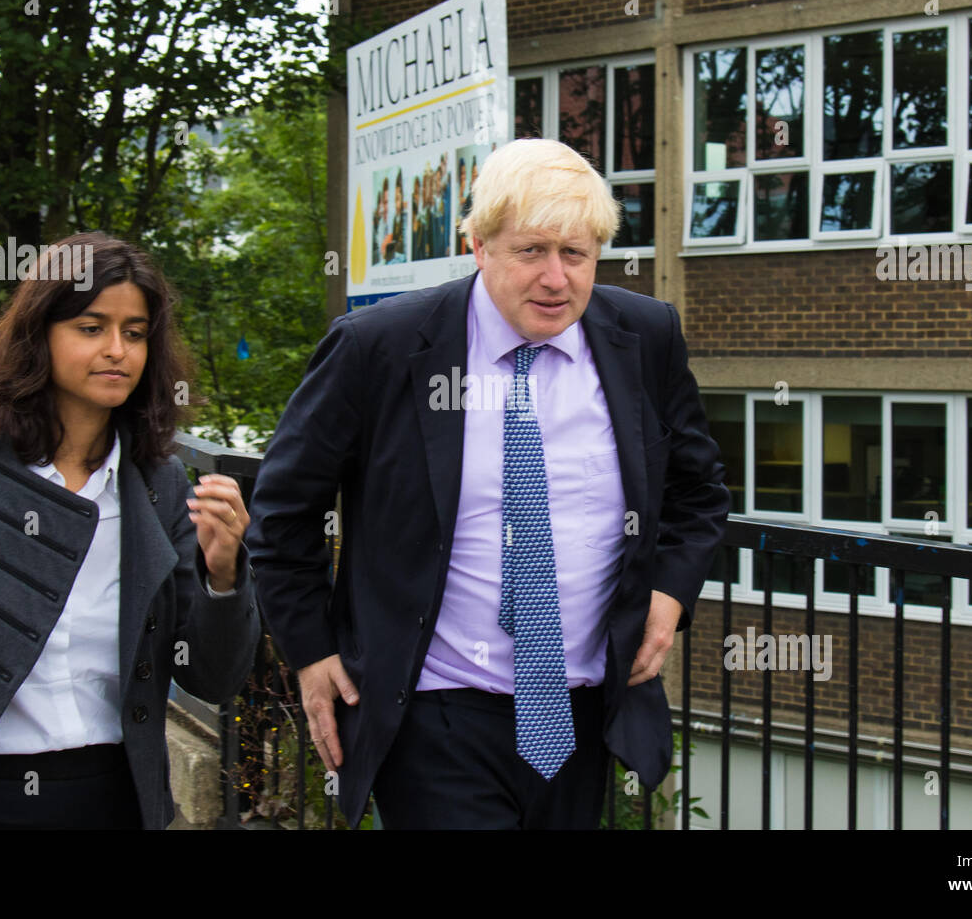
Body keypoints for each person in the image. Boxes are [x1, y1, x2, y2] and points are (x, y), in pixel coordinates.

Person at [247, 138, 730, 828]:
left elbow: (698, 489)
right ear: (477, 245)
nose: (556, 279)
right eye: (531, 251)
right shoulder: (379, 347)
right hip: (435, 712)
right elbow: (283, 510)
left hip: (581, 711)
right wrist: (312, 650)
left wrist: (669, 595)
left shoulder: (644, 336)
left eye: (576, 254)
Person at [0, 232, 259, 829]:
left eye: (135, 333)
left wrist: (223, 575)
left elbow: (211, 679)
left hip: (117, 800)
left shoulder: (156, 482)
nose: (117, 350)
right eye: (91, 327)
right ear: (39, 335)